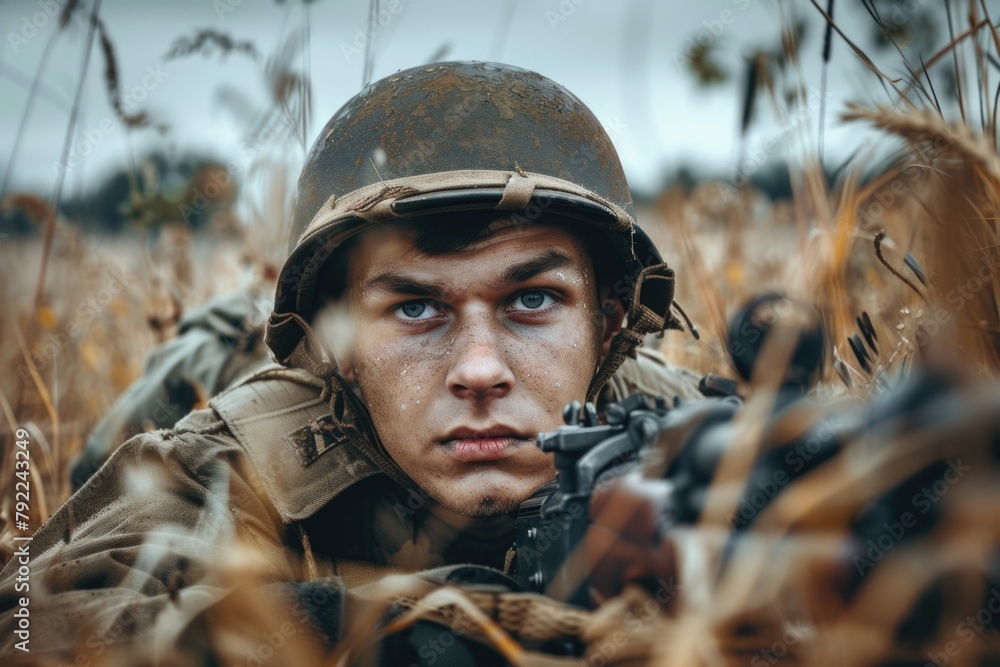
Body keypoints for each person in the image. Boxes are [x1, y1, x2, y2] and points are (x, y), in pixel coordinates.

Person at [0, 61, 704, 663]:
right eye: (416, 308)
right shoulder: (255, 448)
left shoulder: (690, 432)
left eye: (531, 298)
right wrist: (380, 627)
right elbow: (32, 626)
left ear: (608, 323)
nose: (481, 370)